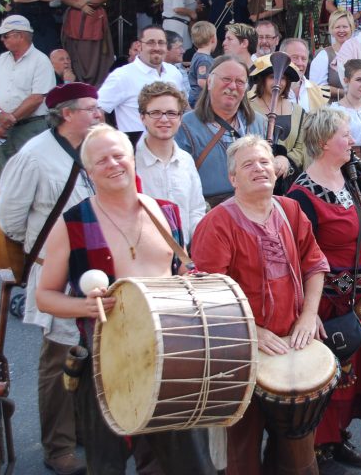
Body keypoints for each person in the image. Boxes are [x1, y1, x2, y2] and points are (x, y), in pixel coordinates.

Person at [36, 125, 216, 475]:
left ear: (133, 160)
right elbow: (45, 296)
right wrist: (84, 307)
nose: (113, 164)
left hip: (171, 356)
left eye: (119, 155)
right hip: (107, 362)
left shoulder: (165, 212)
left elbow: (180, 272)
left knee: (190, 465)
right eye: (101, 160)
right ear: (89, 172)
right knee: (107, 465)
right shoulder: (71, 224)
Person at [189, 135, 329, 475]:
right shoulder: (217, 224)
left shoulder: (291, 209)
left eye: (264, 162)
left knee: (298, 456)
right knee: (242, 455)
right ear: (233, 178)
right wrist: (253, 330)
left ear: (276, 170)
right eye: (247, 164)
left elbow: (314, 265)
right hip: (239, 354)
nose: (259, 169)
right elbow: (208, 300)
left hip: (292, 346)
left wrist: (309, 315)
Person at [0, 82, 101, 475]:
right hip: (57, 269)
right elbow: (10, 220)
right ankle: (57, 446)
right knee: (59, 360)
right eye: (91, 108)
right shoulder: (34, 157)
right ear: (67, 114)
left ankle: (86, 432)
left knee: (93, 357)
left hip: (94, 269)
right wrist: (49, 254)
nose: (98, 114)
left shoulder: (93, 147)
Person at [286, 108, 361, 470]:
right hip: (332, 304)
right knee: (332, 378)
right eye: (345, 136)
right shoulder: (300, 196)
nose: (352, 141)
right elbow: (297, 262)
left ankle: (338, 437)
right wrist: (308, 312)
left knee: (356, 376)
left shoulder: (351, 178)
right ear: (323, 142)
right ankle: (319, 446)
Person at [176, 56, 268, 206]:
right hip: (206, 211)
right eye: (226, 79)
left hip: (253, 207)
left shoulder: (260, 124)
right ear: (210, 82)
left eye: (239, 82)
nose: (232, 86)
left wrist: (282, 160)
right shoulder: (185, 126)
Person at [134, 82, 205, 243]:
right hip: (143, 258)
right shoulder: (129, 161)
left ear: (180, 118)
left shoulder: (186, 161)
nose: (164, 119)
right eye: (156, 113)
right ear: (143, 117)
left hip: (183, 257)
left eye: (172, 113)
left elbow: (196, 211)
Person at [97, 26, 187, 143]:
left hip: (172, 150)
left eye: (161, 43)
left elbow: (183, 108)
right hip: (137, 154)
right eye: (151, 43)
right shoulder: (122, 76)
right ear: (139, 46)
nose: (157, 47)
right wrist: (112, 144)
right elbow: (97, 111)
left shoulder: (173, 72)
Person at [0, 15, 55, 162]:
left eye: (5, 36)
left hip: (31, 127)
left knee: (34, 170)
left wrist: (8, 121)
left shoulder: (41, 61)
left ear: (20, 36)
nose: (2, 39)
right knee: (9, 172)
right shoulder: (2, 59)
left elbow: (36, 99)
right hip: (5, 126)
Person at [247, 53, 307, 182]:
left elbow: (300, 148)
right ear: (262, 79)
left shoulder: (297, 111)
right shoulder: (247, 108)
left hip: (287, 180)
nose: (279, 82)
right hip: (255, 177)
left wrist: (285, 160)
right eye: (272, 77)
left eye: (283, 78)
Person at [61, 0, 112, 86]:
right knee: (76, 50)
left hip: (95, 18)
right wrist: (80, 5)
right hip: (75, 18)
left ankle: (96, 83)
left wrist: (88, 0)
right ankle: (77, 83)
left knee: (94, 51)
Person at [309, 10, 353, 101]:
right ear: (331, 30)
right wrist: (344, 92)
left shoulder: (359, 52)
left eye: (345, 27)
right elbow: (317, 88)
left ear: (351, 28)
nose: (341, 30)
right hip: (333, 111)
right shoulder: (324, 56)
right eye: (337, 27)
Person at [188, 21, 217, 106]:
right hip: (200, 99)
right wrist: (216, 89)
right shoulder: (204, 60)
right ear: (213, 39)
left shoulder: (198, 56)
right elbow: (201, 81)